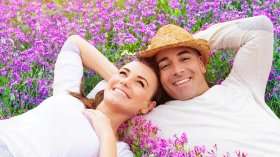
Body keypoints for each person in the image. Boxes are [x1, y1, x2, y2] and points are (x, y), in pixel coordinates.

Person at [90, 15, 280, 156]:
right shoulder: (148, 119)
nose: (177, 70)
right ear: (159, 77)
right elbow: (105, 93)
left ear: (202, 64)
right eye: (165, 65)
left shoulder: (241, 85)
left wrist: (188, 40)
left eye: (185, 58)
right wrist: (142, 72)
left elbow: (259, 27)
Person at [0, 35, 161, 157]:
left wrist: (106, 133)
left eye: (140, 83)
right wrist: (118, 81)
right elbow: (74, 44)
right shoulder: (70, 94)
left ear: (148, 106)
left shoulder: (118, 150)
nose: (125, 81)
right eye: (123, 73)